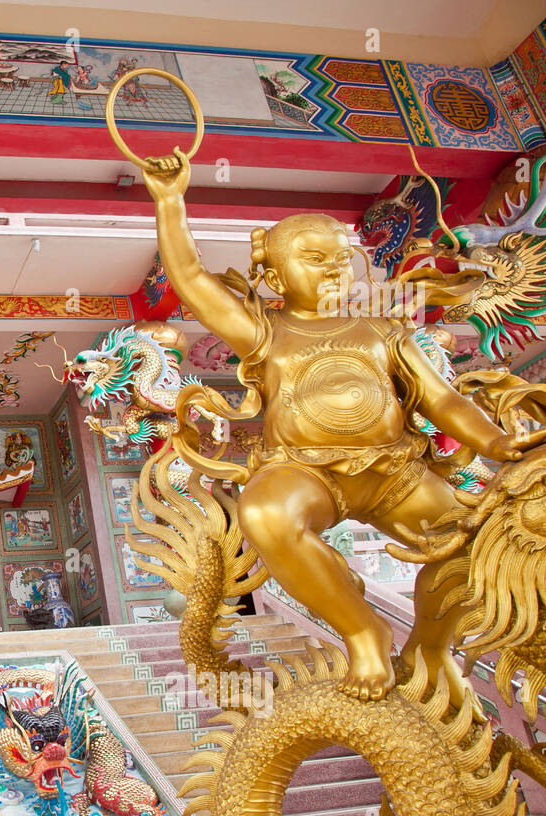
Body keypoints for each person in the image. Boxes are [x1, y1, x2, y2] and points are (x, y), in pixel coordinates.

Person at [139, 147, 522, 703]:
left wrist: (497, 441)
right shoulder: (264, 331)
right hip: (304, 473)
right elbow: (192, 277)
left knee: (476, 545)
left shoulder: (382, 330)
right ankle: (364, 630)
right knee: (266, 512)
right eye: (314, 258)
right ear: (272, 275)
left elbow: (444, 402)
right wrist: (170, 202)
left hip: (396, 472)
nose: (333, 268)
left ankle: (432, 647)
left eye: (341, 258)